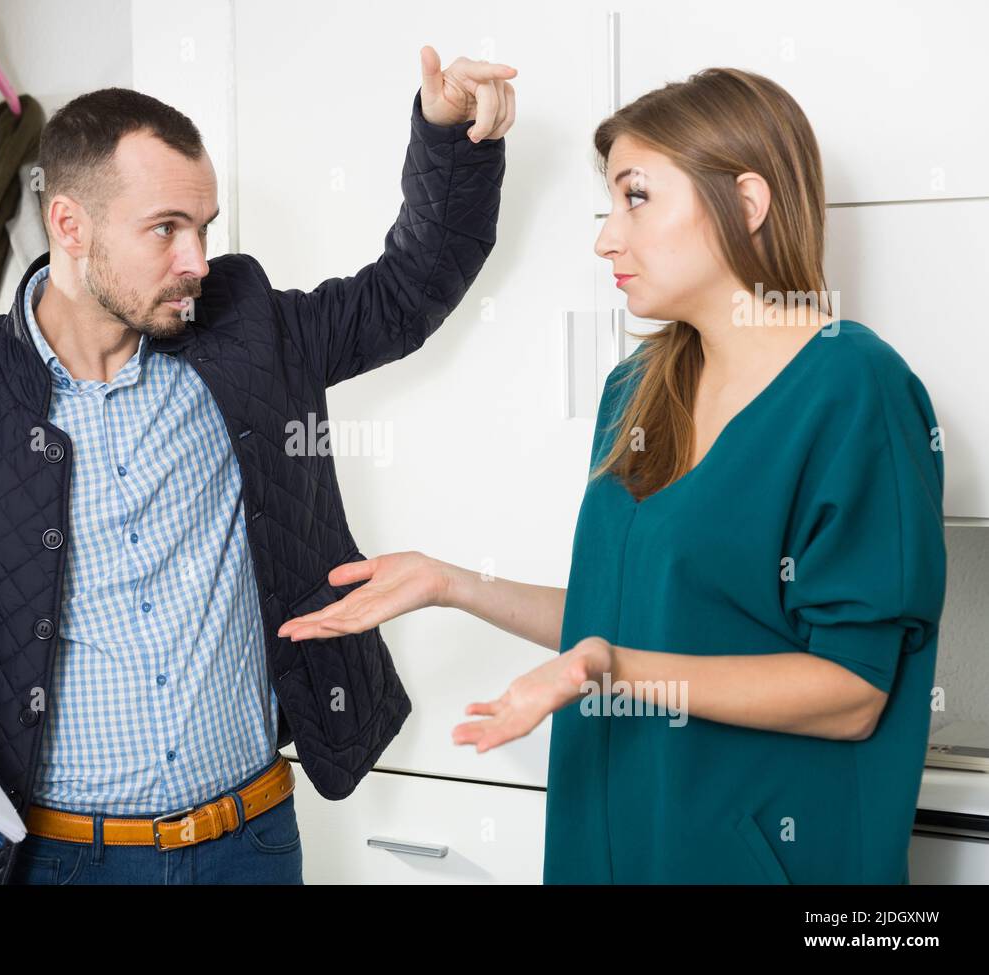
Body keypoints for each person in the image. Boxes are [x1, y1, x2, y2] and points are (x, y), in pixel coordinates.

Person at [0, 46, 515, 885]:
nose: (197, 258)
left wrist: (451, 138)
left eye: (204, 227)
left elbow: (408, 290)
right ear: (71, 225)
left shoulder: (249, 331)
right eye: (166, 228)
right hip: (66, 860)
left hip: (250, 840)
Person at [277, 67, 946, 884]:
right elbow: (617, 623)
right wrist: (450, 583)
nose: (605, 238)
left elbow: (851, 692)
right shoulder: (639, 389)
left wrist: (615, 669)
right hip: (610, 840)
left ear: (747, 201)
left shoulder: (854, 391)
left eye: (636, 197)